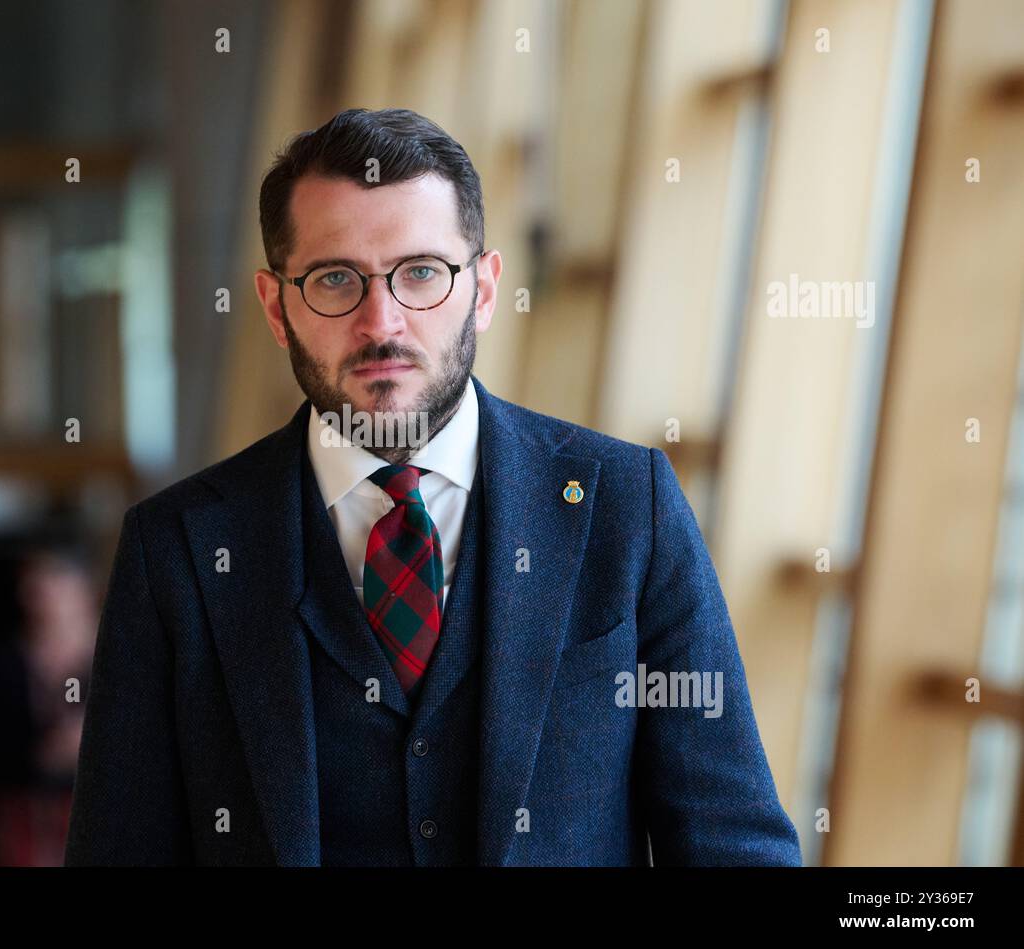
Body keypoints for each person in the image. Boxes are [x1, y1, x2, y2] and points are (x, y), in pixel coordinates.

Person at [64, 107, 801, 866]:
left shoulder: (625, 507)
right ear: (276, 306)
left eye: (421, 272)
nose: (381, 322)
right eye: (334, 279)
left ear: (483, 288)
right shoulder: (177, 550)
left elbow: (730, 840)